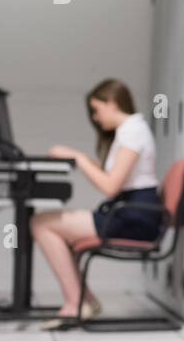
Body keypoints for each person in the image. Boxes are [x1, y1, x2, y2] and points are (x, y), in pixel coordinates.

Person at [31, 78, 161, 325]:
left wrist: (78, 158)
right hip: (128, 210)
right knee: (44, 222)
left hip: (135, 217)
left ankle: (76, 303)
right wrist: (80, 158)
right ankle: (83, 301)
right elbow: (111, 179)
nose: (95, 118)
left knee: (41, 223)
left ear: (111, 103)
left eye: (96, 110)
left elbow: (109, 187)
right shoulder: (128, 131)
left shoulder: (132, 131)